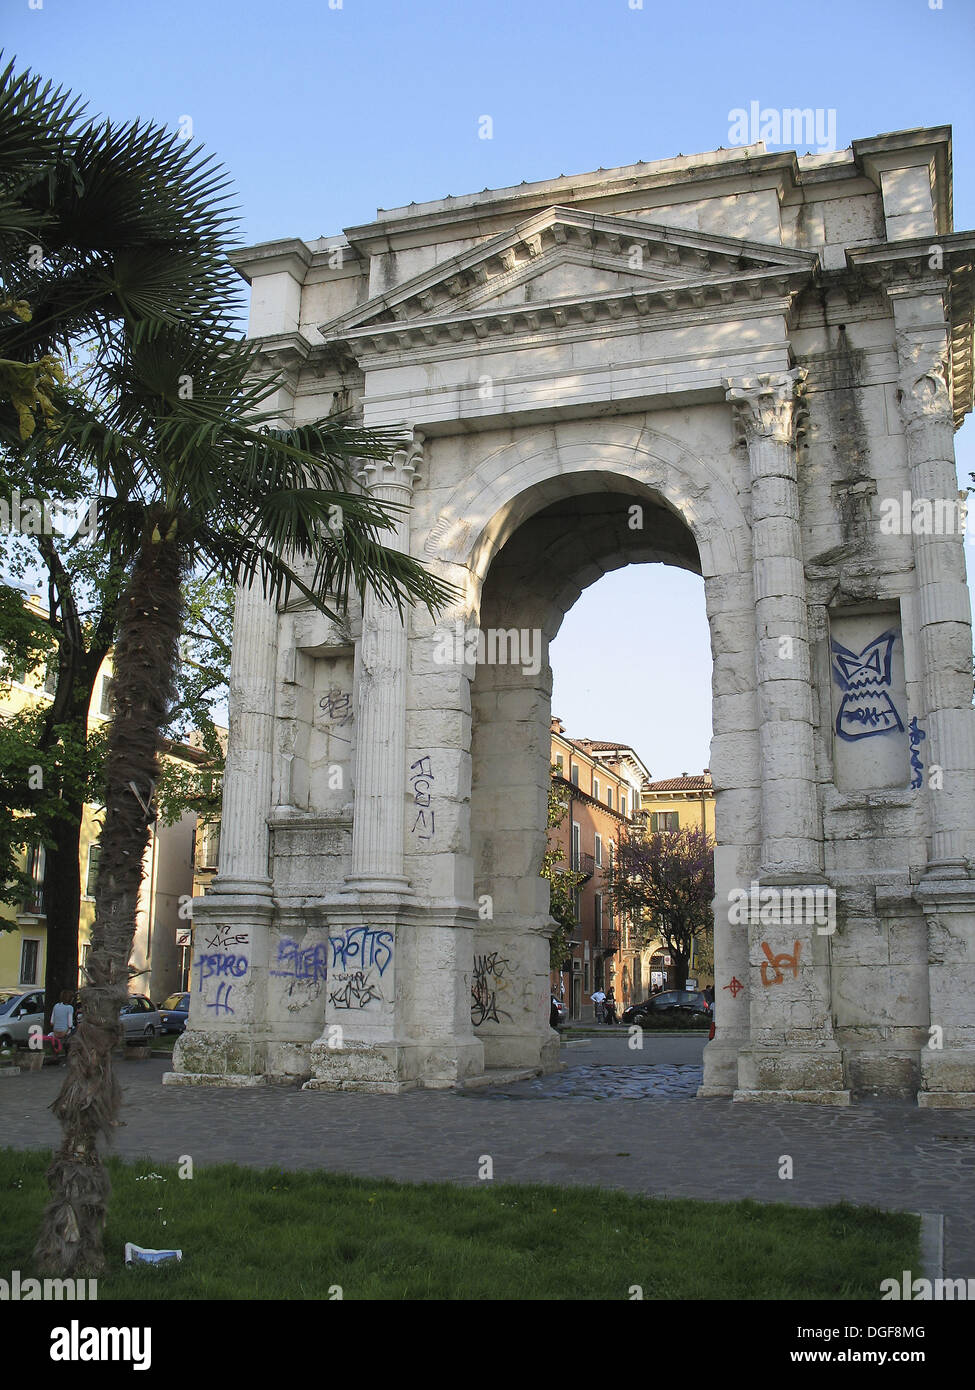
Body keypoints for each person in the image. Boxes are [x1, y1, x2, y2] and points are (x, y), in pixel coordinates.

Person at [50, 990, 74, 1061]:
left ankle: (55, 1055)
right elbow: (70, 1024)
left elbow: (51, 1022)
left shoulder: (56, 1006)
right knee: (78, 1029)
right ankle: (69, 1053)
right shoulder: (70, 1008)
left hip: (55, 1032)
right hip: (64, 1032)